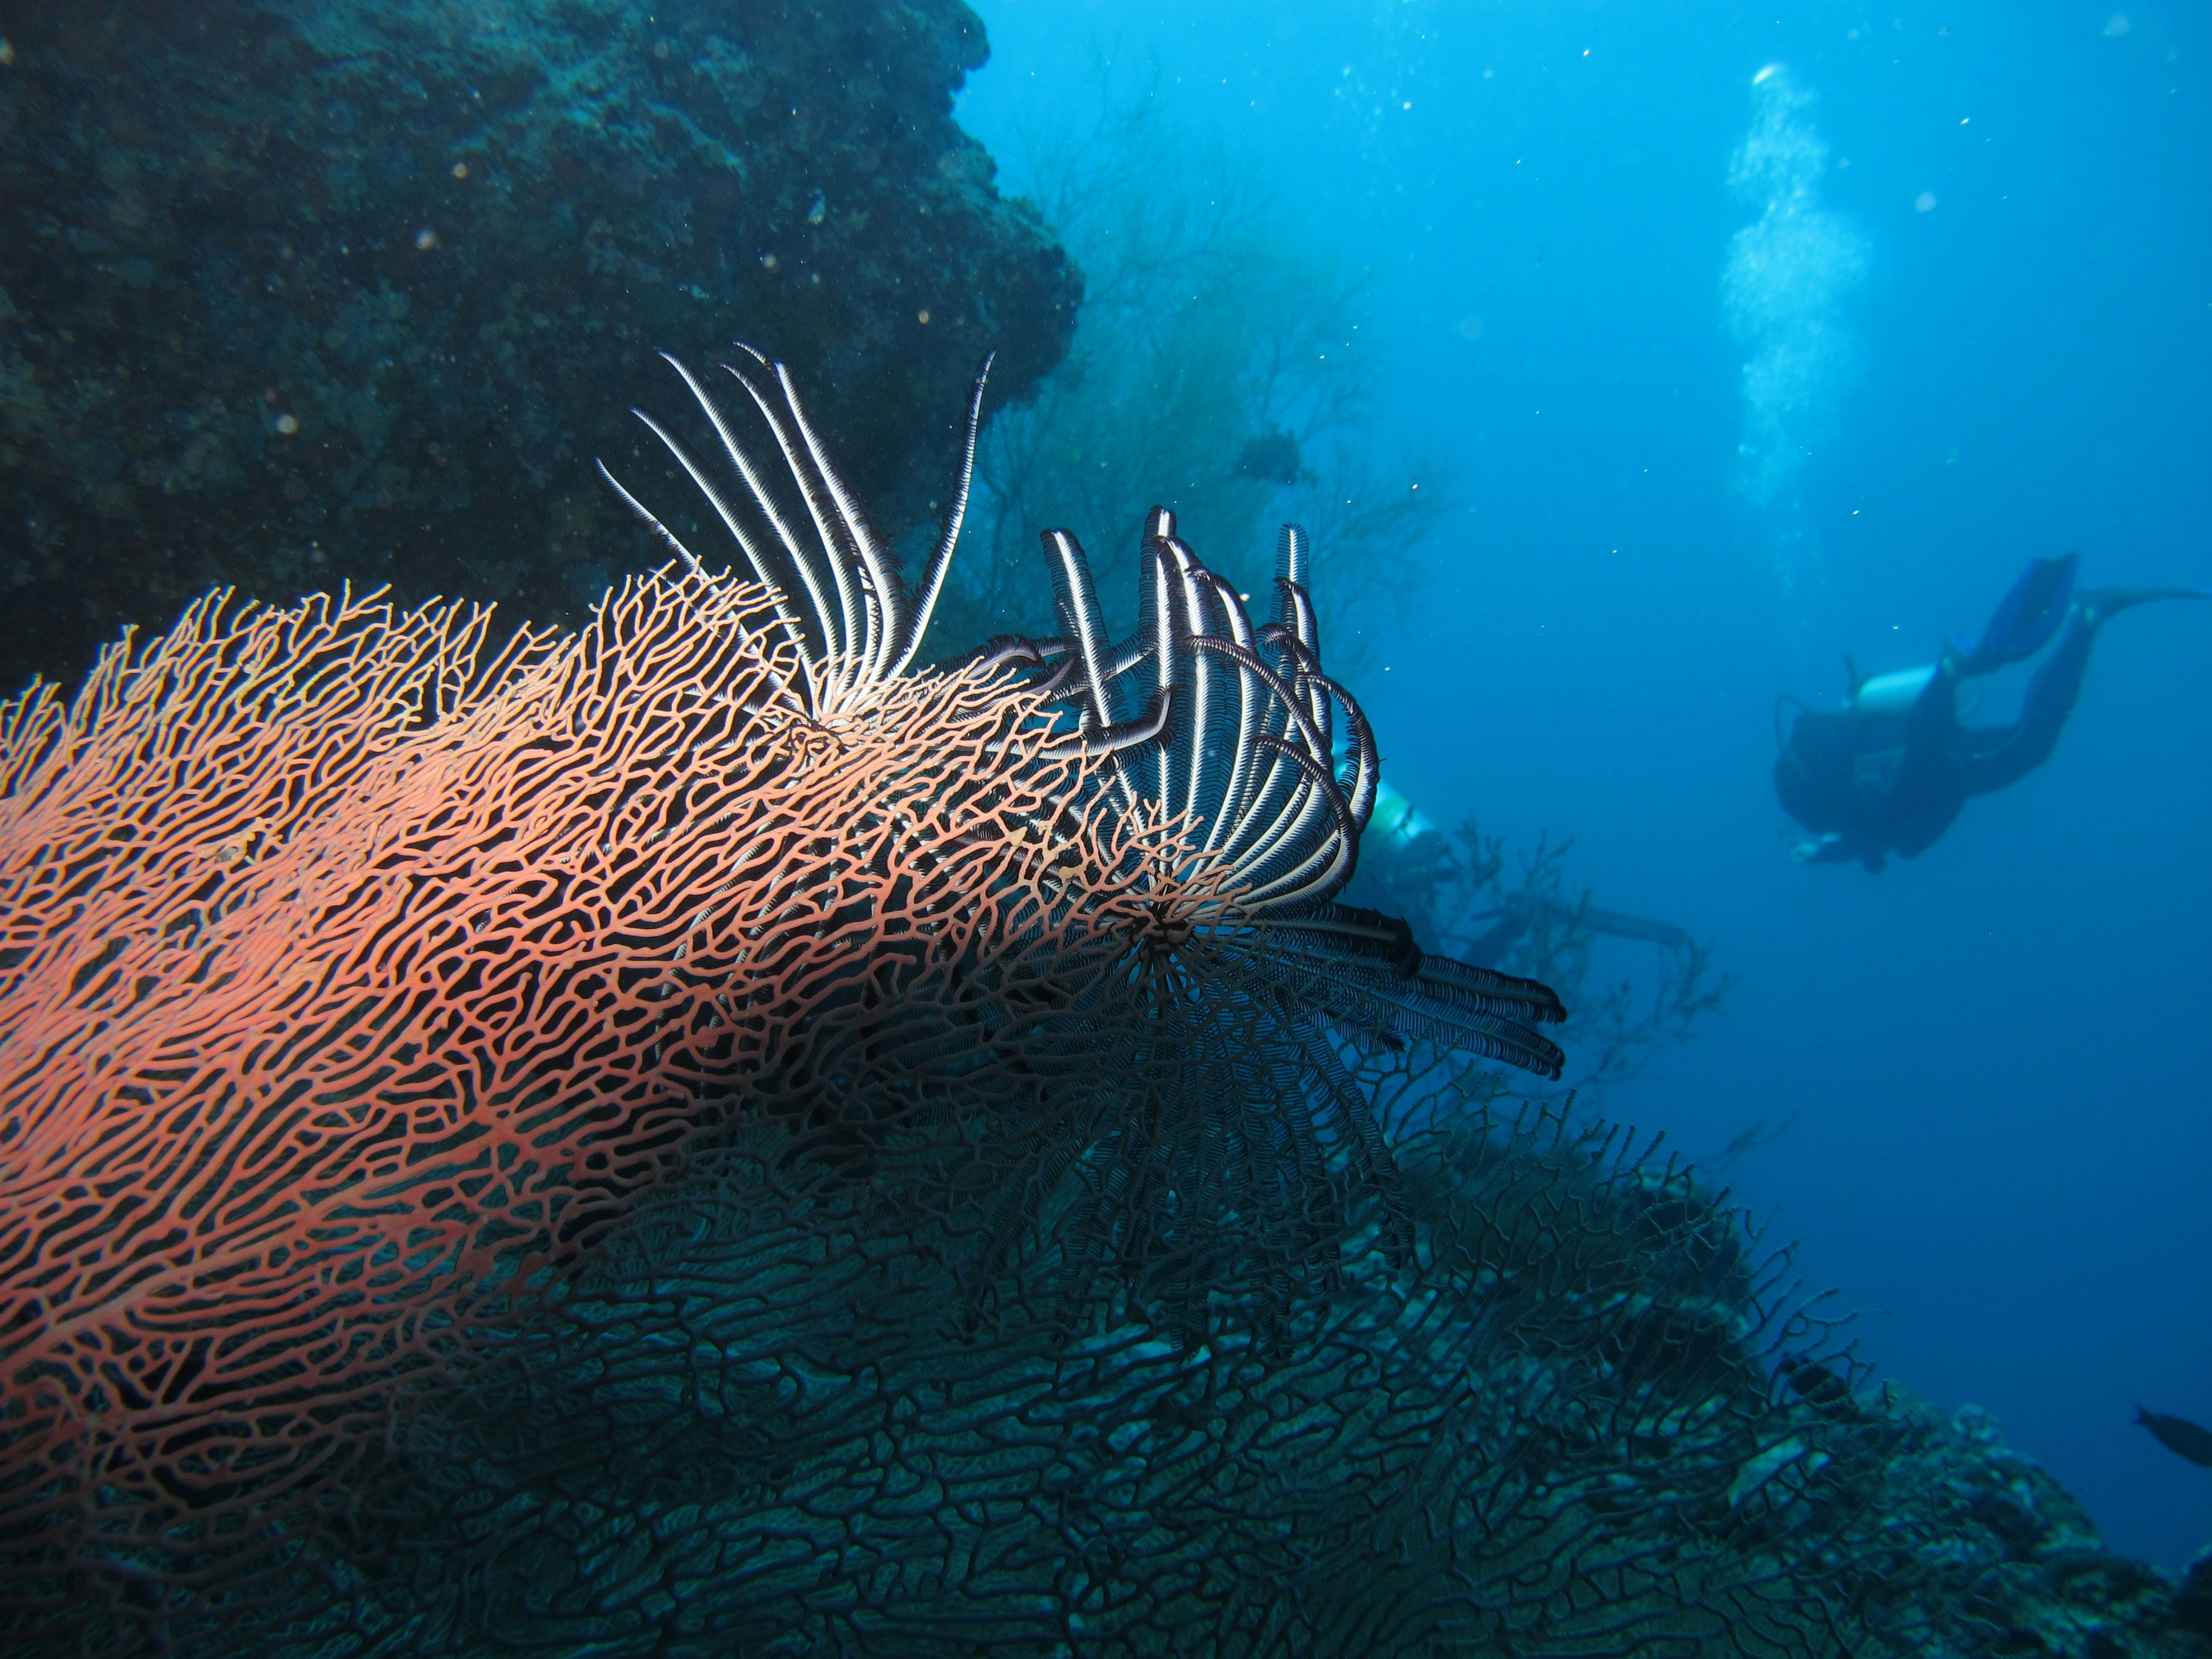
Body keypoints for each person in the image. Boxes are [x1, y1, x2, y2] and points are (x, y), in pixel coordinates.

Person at [1774, 554, 2206, 871]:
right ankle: (1957, 671)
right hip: (1899, 746)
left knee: (2027, 747)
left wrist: (1832, 852)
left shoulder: (1868, 823)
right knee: (1962, 748)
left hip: (1911, 761)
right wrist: (1825, 852)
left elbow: (1913, 777)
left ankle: (2083, 618)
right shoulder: (1850, 815)